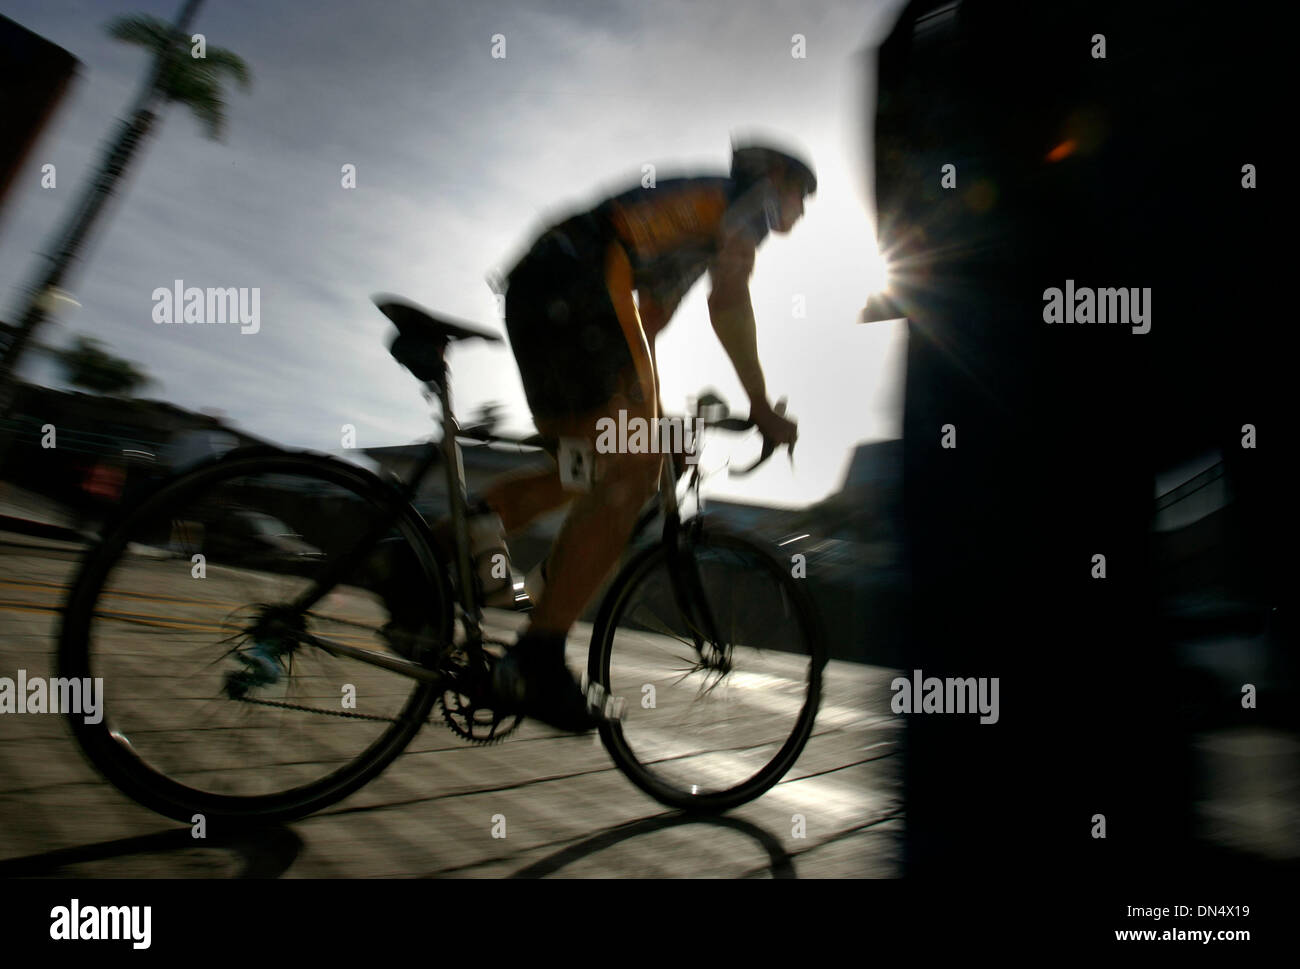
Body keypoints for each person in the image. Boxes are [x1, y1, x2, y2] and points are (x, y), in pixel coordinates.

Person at [470, 139, 813, 732]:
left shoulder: (687, 233)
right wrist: (760, 405)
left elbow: (642, 332)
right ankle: (538, 659)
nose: (800, 212)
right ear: (775, 178)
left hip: (546, 284)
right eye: (801, 196)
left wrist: (653, 424)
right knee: (629, 464)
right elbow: (729, 300)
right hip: (580, 276)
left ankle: (423, 555)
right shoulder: (746, 202)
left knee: (589, 467)